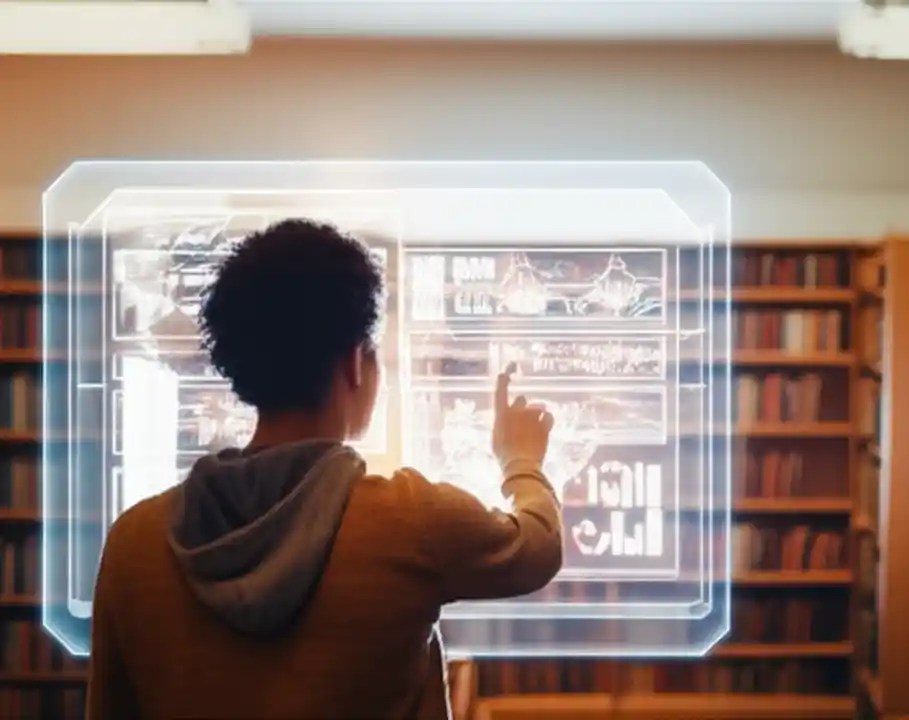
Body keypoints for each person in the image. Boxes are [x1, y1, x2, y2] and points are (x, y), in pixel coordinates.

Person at [86, 219, 562, 719]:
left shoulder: (133, 543)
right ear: (355, 363)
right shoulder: (410, 520)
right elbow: (537, 546)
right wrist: (520, 459)